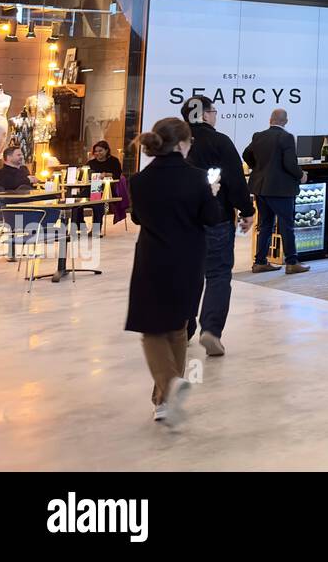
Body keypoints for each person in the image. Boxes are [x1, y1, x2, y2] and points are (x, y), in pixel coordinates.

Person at [125, 117, 223, 424]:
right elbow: (211, 217)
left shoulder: (138, 181)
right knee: (178, 327)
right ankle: (165, 396)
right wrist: (213, 194)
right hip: (189, 260)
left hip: (153, 259)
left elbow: (138, 218)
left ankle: (166, 390)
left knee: (152, 328)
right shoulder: (196, 179)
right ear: (182, 144)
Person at [182, 96, 253, 357]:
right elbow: (234, 178)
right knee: (219, 274)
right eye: (214, 111)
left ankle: (183, 327)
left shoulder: (176, 142)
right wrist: (247, 211)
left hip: (183, 222)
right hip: (217, 218)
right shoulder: (220, 141)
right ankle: (210, 329)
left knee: (188, 273)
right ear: (206, 114)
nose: (215, 116)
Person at [242, 108, 308, 275]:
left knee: (265, 225)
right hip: (281, 189)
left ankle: (260, 262)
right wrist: (301, 176)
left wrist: (257, 168)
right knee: (287, 225)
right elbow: (289, 164)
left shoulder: (258, 136)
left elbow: (246, 154)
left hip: (260, 188)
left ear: (270, 120)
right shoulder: (286, 137)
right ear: (285, 121)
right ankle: (292, 262)